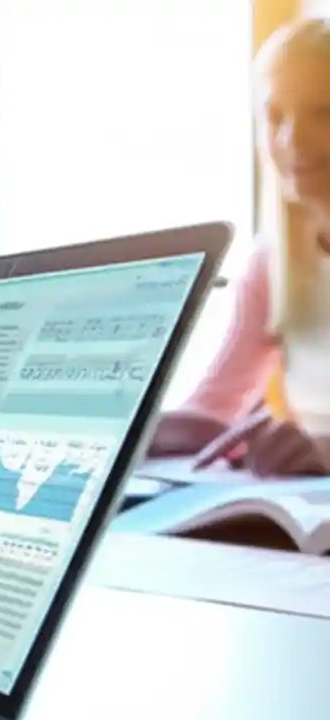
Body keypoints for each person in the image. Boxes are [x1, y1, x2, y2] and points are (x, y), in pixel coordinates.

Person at [148, 18, 330, 478]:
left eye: (324, 112)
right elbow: (215, 410)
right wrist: (140, 430)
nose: (291, 140)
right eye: (275, 117)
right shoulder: (274, 263)